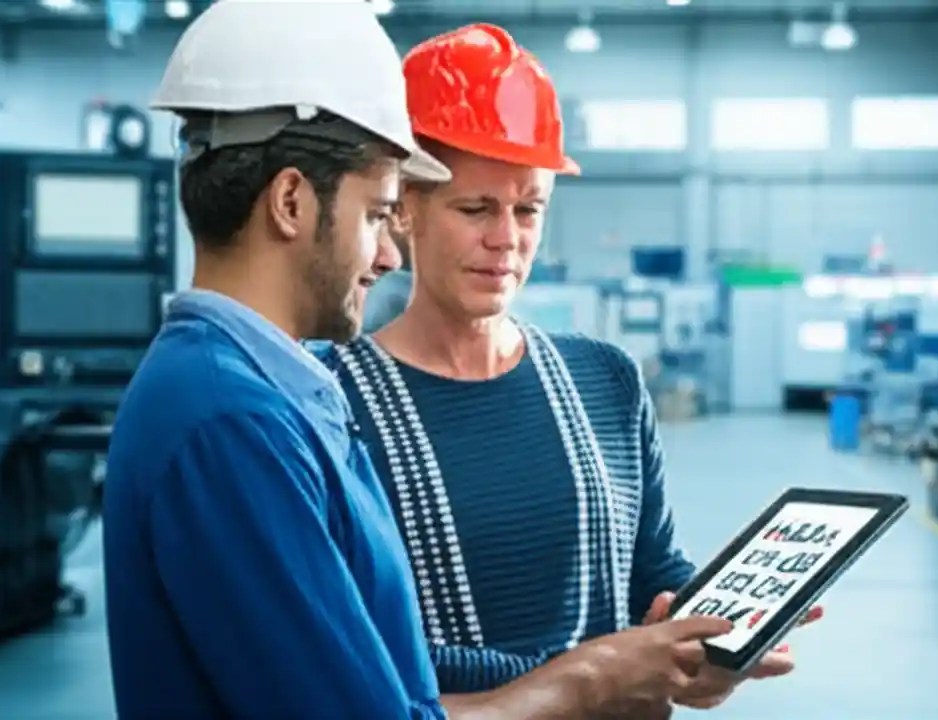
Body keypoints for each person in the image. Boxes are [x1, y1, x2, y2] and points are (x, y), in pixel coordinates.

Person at [103, 3, 730, 719]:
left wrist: (673, 646)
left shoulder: (284, 395)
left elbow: (378, 662)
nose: (387, 253)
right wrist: (597, 676)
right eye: (378, 211)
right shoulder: (235, 422)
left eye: (529, 210)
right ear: (290, 202)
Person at [314, 22, 821, 713]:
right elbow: (350, 656)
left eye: (529, 208)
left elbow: (654, 577)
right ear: (403, 206)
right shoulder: (330, 400)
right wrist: (600, 673)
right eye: (476, 208)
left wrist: (707, 644)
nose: (506, 239)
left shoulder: (606, 381)